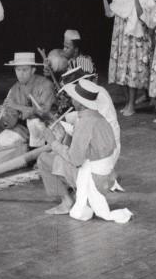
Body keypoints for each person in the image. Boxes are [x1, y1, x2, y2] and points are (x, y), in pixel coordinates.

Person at [37, 78, 132, 223]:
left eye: (73, 98)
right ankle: (83, 197)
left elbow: (75, 160)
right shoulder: (101, 118)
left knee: (44, 158)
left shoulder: (85, 123)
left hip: (94, 179)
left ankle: (66, 202)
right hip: (107, 177)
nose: (71, 100)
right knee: (58, 155)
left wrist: (53, 141)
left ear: (79, 102)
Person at [97, 0, 154, 116]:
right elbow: (109, 13)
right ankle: (129, 102)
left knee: (133, 70)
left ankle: (131, 105)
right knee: (121, 70)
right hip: (121, 35)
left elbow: (143, 16)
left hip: (135, 36)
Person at [1, 52, 56, 148]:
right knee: (1, 140)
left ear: (33, 70)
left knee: (34, 123)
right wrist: (5, 116)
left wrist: (16, 106)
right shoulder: (14, 89)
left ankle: (39, 149)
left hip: (49, 126)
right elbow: (12, 121)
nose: (21, 74)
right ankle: (30, 149)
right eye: (18, 70)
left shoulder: (45, 84)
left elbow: (43, 113)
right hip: (28, 130)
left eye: (25, 70)